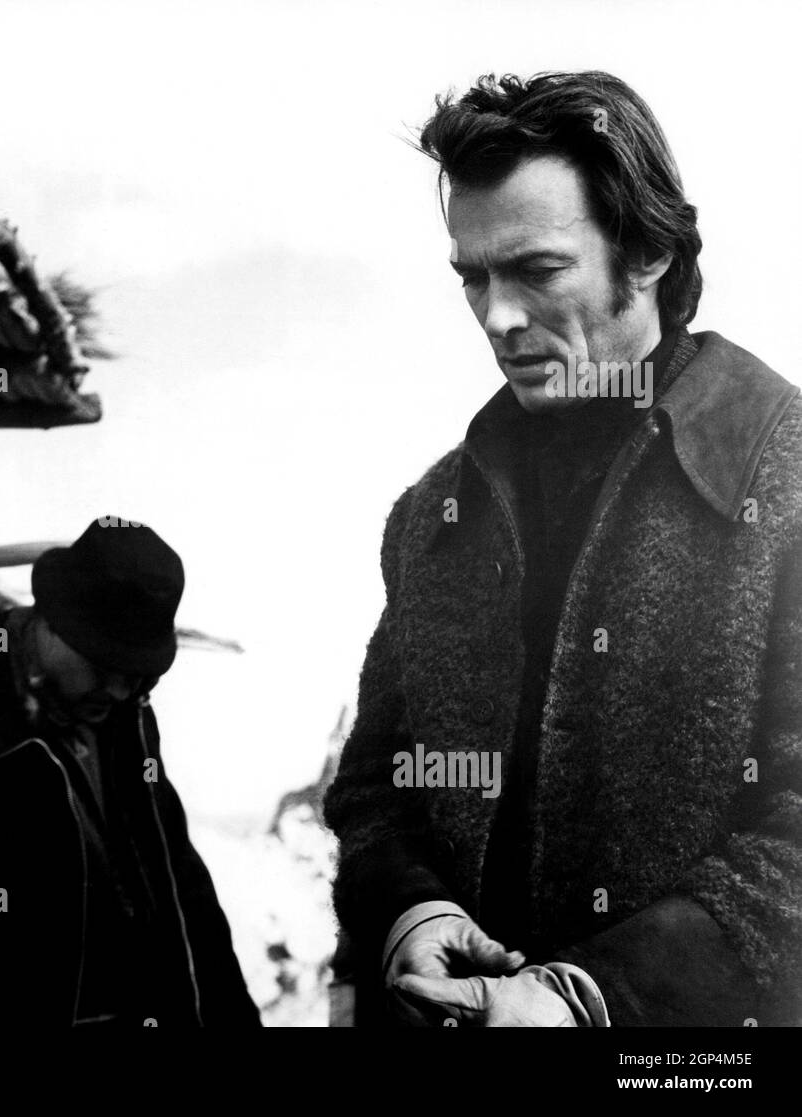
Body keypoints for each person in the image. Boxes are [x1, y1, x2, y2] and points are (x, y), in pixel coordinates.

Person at [325, 71, 802, 1027]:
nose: (497, 317)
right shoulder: (431, 516)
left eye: (537, 271)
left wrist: (588, 1001)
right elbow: (384, 784)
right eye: (472, 276)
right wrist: (412, 910)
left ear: (651, 251)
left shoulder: (786, 480)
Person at [0, 517, 260, 1026]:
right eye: (105, 668)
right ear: (52, 624)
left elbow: (180, 885)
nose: (122, 693)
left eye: (140, 679)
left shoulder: (124, 716)